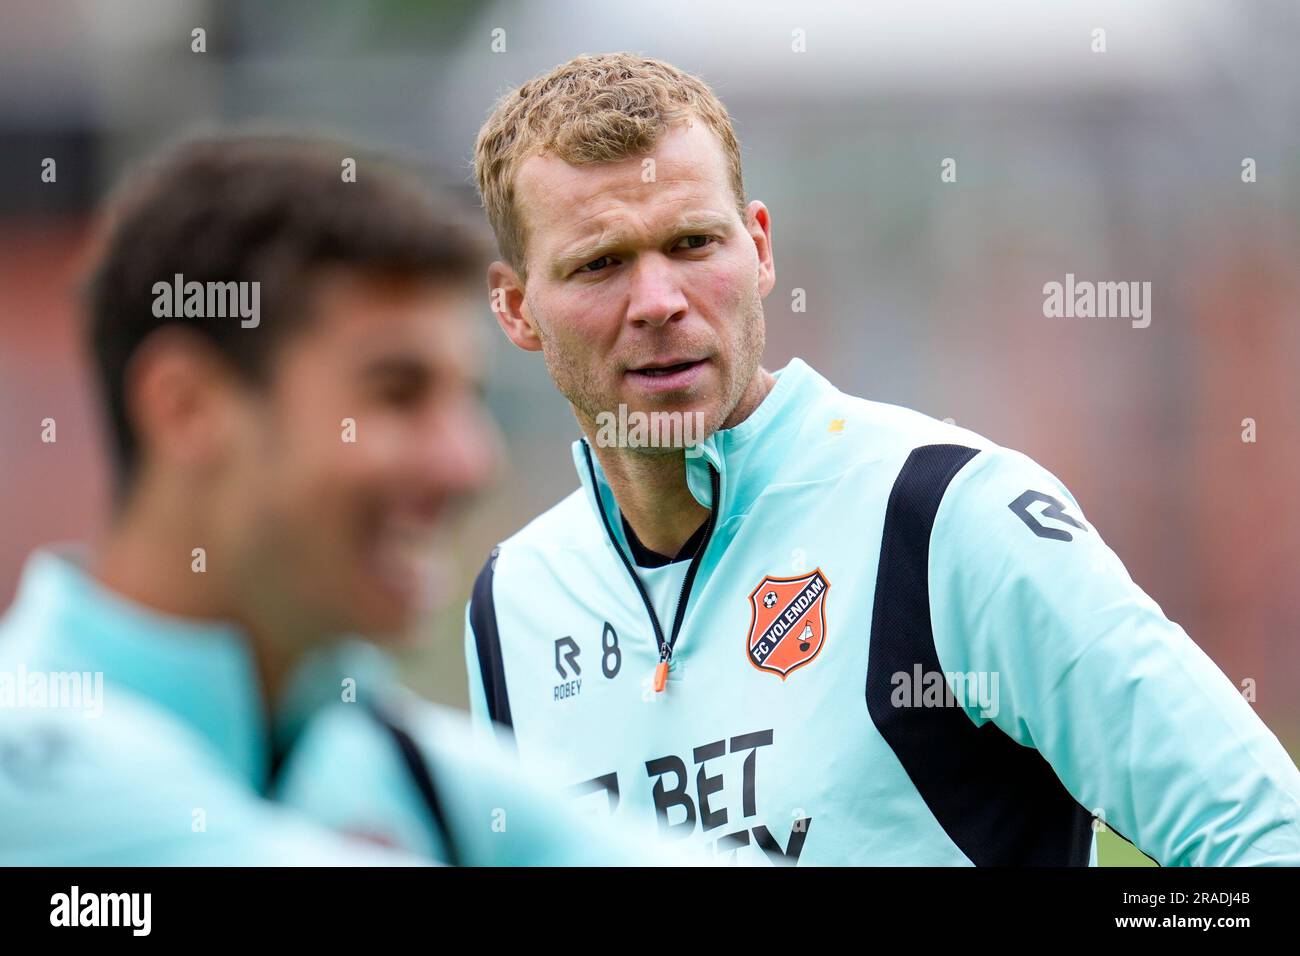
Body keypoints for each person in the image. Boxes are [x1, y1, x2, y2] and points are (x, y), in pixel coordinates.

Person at [465, 53, 1300, 865]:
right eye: (600, 264)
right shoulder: (512, 604)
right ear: (515, 308)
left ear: (757, 249)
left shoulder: (945, 512)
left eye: (691, 243)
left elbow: (1266, 840)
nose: (658, 302)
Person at [0, 134, 675, 866]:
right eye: (397, 392)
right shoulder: (26, 764)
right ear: (185, 407)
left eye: (470, 401)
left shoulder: (398, 768)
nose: (470, 463)